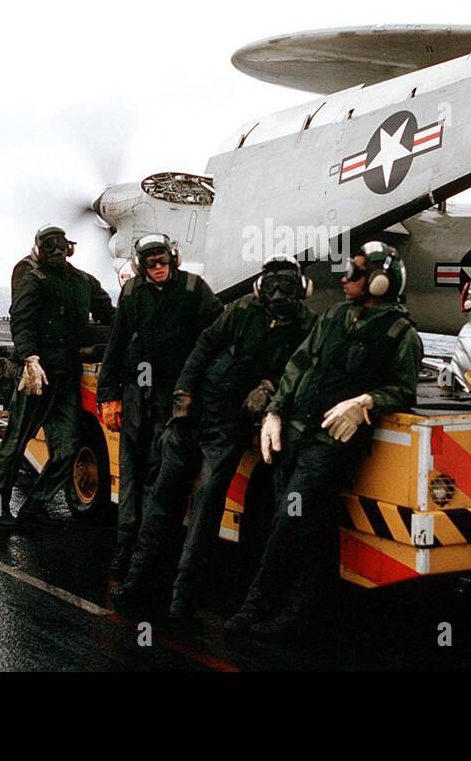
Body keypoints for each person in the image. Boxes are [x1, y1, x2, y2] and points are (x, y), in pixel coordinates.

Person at [225, 242, 422, 638]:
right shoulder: (334, 315)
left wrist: (367, 402)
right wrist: (276, 412)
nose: (345, 278)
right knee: (309, 525)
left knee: (288, 519)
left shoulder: (401, 333)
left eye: (356, 273)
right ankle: (303, 611)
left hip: (331, 442)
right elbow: (300, 363)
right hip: (296, 432)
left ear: (381, 282)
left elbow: (404, 390)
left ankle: (256, 606)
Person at [112, 255, 316, 618]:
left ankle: (182, 596)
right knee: (162, 497)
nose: (280, 294)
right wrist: (184, 395)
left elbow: (299, 370)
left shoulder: (307, 327)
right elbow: (204, 346)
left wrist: (269, 388)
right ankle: (137, 582)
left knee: (207, 505)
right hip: (195, 412)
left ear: (301, 290)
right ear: (260, 288)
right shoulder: (240, 312)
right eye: (274, 286)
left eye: (287, 286)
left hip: (229, 426)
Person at [96, 233, 222, 576]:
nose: (157, 267)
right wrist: (108, 396)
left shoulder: (196, 290)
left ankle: (150, 552)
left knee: (162, 475)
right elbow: (116, 344)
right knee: (132, 474)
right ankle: (126, 546)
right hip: (137, 396)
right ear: (141, 265)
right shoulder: (132, 292)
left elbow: (217, 344)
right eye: (150, 263)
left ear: (173, 258)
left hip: (174, 399)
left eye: (162, 261)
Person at [0, 225, 116, 531]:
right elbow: (22, 320)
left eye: (61, 246)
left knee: (68, 447)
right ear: (39, 249)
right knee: (15, 443)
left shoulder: (83, 282)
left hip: (66, 375)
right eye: (50, 246)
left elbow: (110, 315)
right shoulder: (33, 279)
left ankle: (36, 505)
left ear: (70, 248)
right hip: (36, 375)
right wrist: (29, 358)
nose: (57, 252)